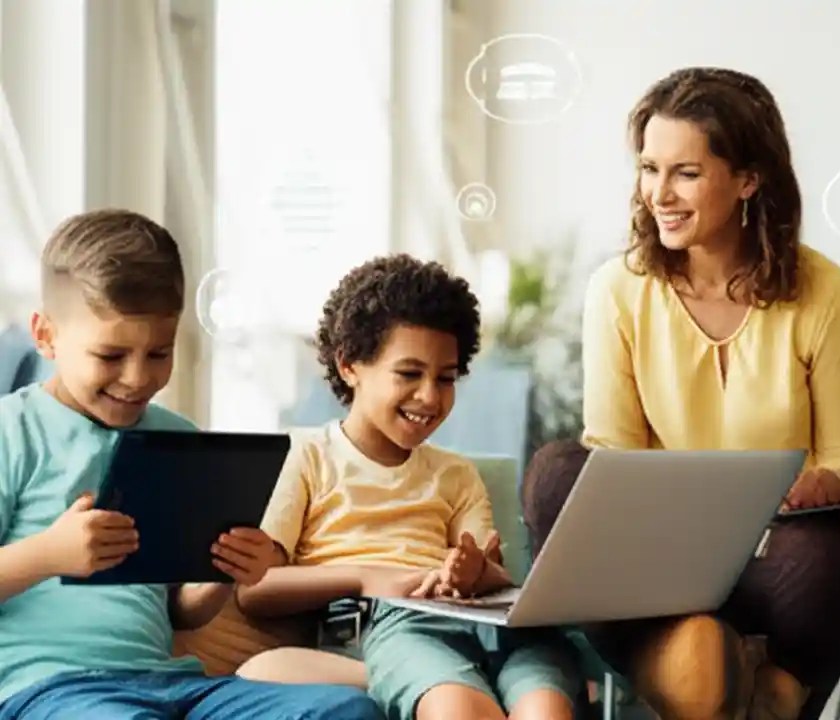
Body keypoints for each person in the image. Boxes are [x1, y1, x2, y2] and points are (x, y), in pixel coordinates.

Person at [521, 66, 840, 720]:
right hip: (656, 569)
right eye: (649, 169)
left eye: (686, 173)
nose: (660, 194)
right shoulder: (618, 290)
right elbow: (612, 461)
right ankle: (711, 666)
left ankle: (772, 690)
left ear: (748, 179)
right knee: (556, 474)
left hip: (777, 565)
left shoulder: (830, 295)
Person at [0, 209, 382, 720]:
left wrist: (222, 572)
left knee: (346, 710)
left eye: (159, 353)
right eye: (110, 356)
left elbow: (183, 611)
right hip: (52, 689)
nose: (137, 377)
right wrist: (48, 554)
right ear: (46, 335)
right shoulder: (13, 431)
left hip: (171, 682)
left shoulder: (177, 439)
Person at [234, 255, 582, 720]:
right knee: (458, 708)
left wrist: (473, 571)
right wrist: (365, 576)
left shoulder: (456, 473)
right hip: (397, 624)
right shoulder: (304, 455)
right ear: (350, 365)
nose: (430, 397)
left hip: (490, 622)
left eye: (446, 378)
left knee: (546, 707)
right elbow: (255, 588)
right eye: (409, 374)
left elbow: (492, 575)